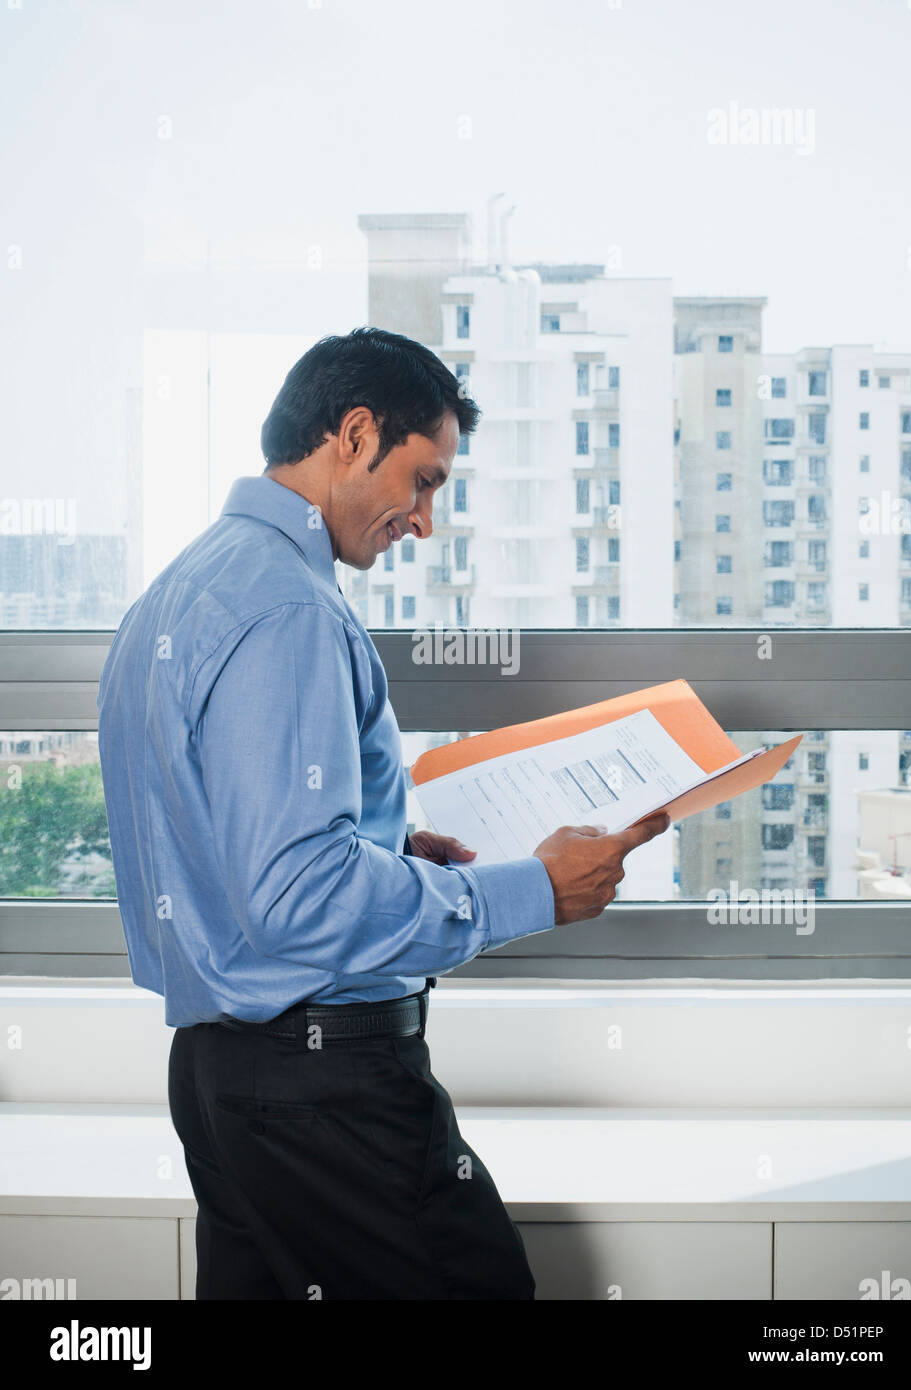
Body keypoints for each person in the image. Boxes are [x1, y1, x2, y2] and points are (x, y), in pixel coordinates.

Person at [96, 326, 670, 1300]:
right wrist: (535, 889)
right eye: (425, 479)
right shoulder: (289, 609)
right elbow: (295, 893)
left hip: (217, 1078)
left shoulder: (179, 593)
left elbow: (229, 845)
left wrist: (387, 850)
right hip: (322, 1088)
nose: (425, 520)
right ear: (355, 434)